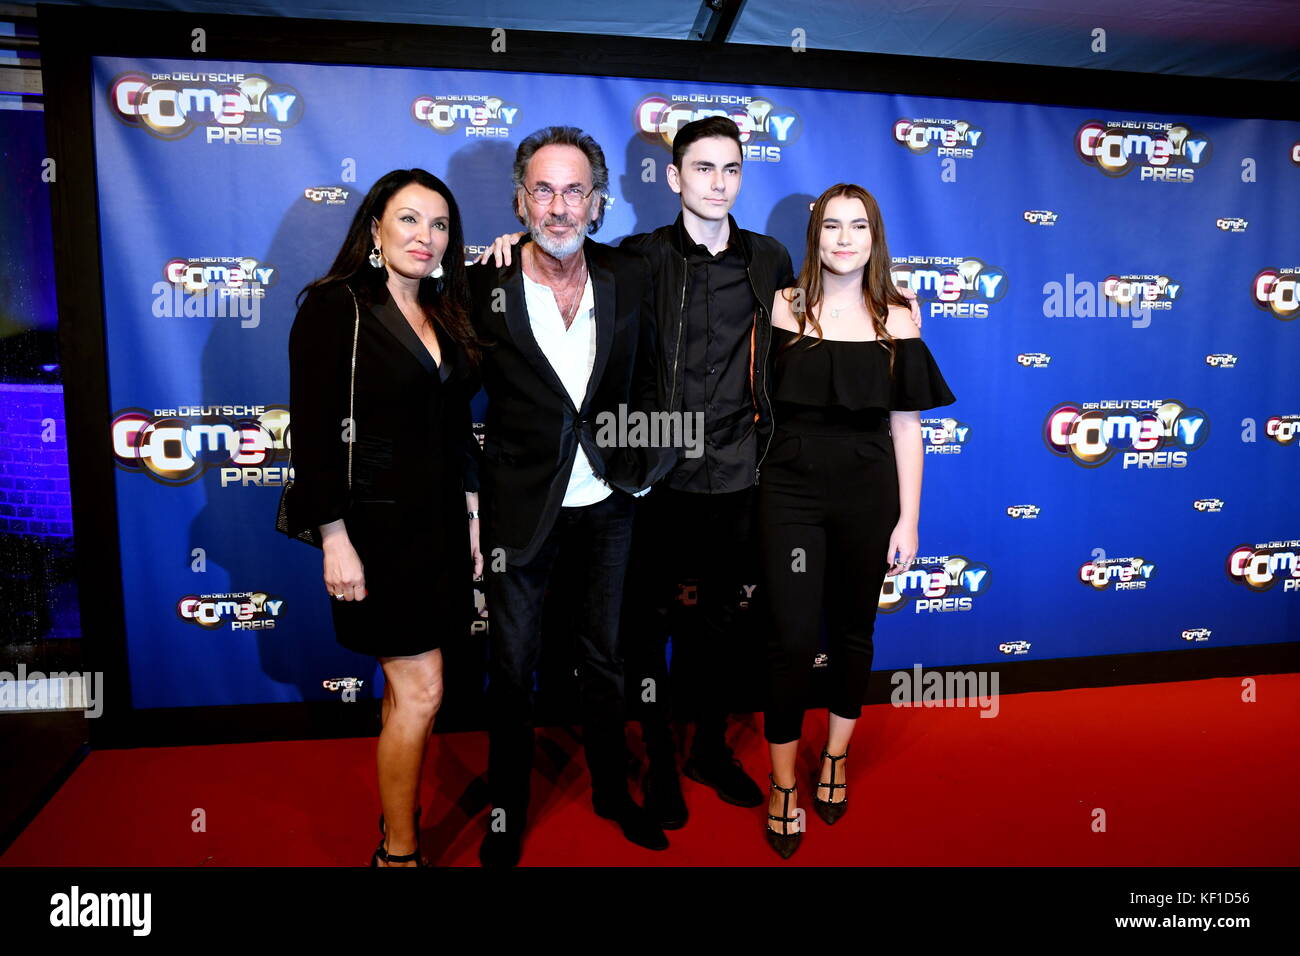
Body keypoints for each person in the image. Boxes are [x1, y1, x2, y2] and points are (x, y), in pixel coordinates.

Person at [482, 116, 922, 830]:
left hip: (745, 475)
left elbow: (831, 321)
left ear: (742, 178)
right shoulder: (634, 258)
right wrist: (510, 247)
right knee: (644, 631)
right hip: (654, 478)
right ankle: (659, 761)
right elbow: (557, 263)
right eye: (703, 169)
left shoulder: (770, 261)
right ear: (673, 176)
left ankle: (710, 750)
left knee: (722, 627)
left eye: (731, 170)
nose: (718, 183)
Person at [466, 126, 674, 868]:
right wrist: (469, 500)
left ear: (597, 201)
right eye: (544, 190)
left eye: (574, 190)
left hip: (611, 502)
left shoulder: (628, 276)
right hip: (519, 508)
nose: (559, 207)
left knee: (607, 659)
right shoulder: (480, 284)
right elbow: (447, 401)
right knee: (513, 668)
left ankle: (613, 793)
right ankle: (507, 811)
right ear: (521, 199)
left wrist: (645, 466)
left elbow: (654, 379)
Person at [286, 169, 483, 867]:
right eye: (408, 220)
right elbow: (311, 433)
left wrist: (471, 513)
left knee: (409, 690)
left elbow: (453, 424)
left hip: (435, 527)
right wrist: (333, 538)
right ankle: (398, 853)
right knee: (423, 686)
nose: (425, 237)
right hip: (372, 530)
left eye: (439, 225)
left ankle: (394, 830)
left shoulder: (446, 310)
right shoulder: (336, 307)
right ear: (375, 228)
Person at [758, 183, 955, 858]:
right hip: (786, 495)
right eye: (832, 227)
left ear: (876, 239)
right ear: (814, 238)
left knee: (852, 633)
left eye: (858, 227)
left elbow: (908, 431)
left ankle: (836, 756)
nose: (844, 239)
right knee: (786, 640)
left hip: (868, 499)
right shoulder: (781, 305)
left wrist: (910, 522)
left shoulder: (899, 317)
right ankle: (784, 782)